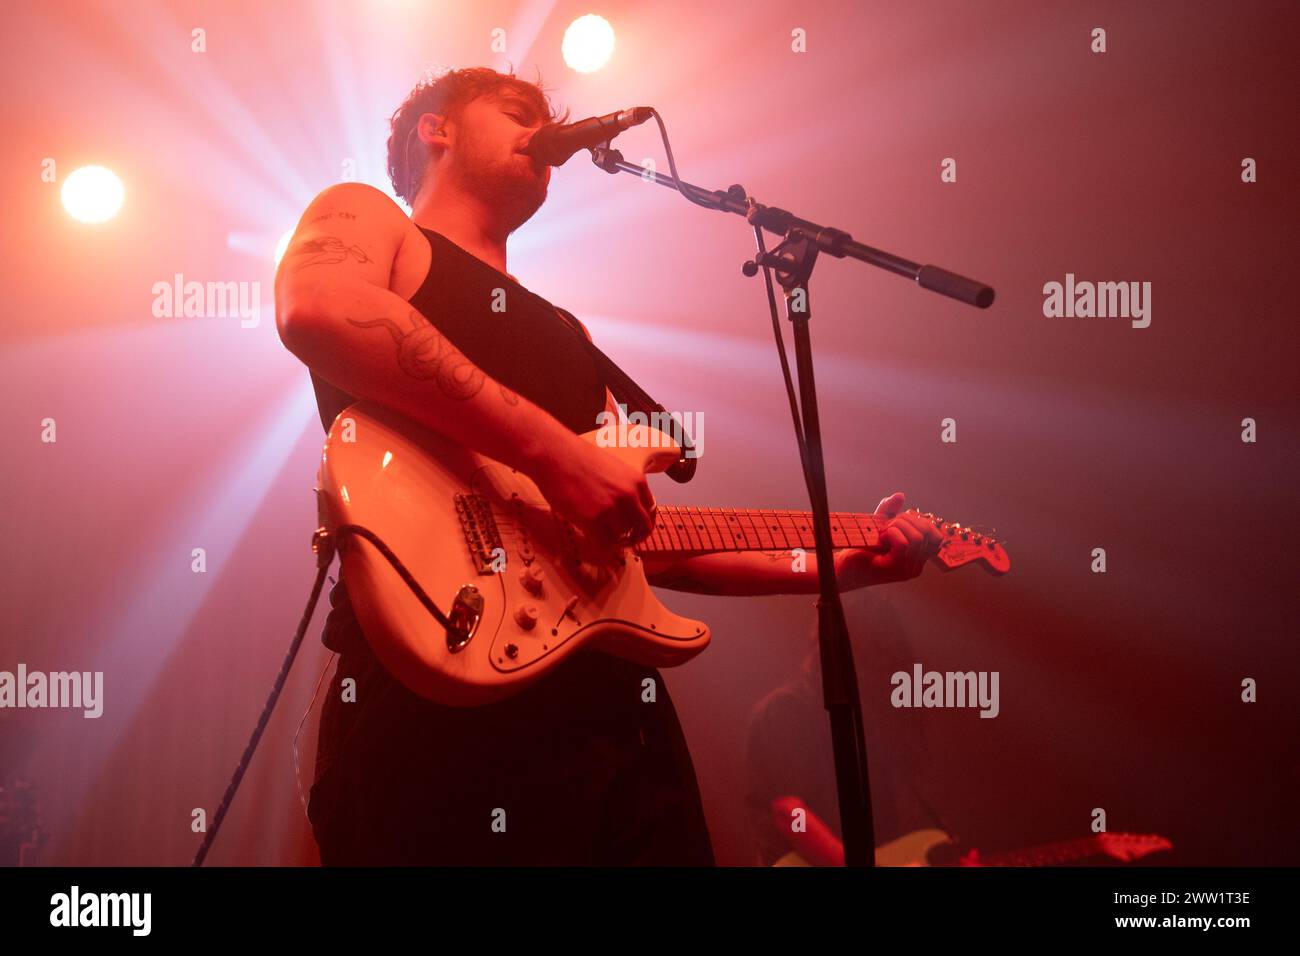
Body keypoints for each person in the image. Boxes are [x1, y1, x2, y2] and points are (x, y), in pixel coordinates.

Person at [273, 66, 941, 865]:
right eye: (515, 112)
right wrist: (553, 453)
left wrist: (843, 565)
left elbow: (635, 542)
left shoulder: (568, 331)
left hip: (608, 719)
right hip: (434, 682)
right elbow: (316, 307)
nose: (542, 135)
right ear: (436, 129)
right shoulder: (370, 219)